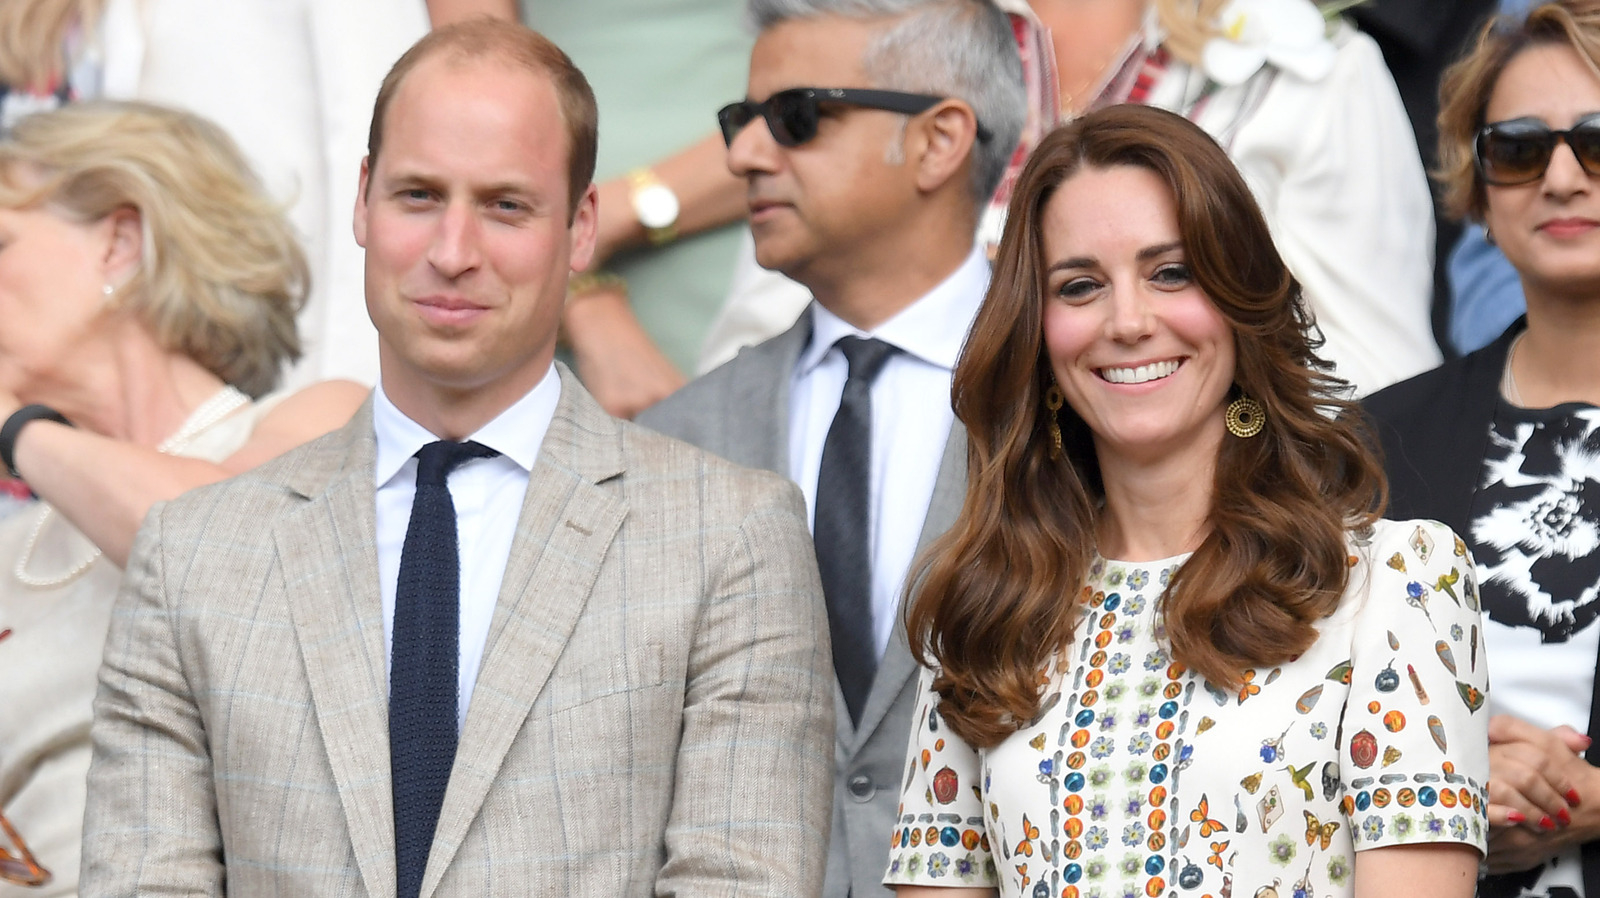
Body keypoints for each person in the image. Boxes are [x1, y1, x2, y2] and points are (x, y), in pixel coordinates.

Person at [79, 19, 833, 898]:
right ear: (362, 202)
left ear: (580, 227)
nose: (452, 252)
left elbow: (740, 878)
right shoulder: (191, 557)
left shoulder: (729, 539)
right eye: (418, 196)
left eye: (506, 205)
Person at [886, 105, 1490, 898]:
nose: (1128, 322)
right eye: (1079, 286)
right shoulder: (984, 609)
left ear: (1241, 300)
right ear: (1035, 331)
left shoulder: (1397, 581)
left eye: (1171, 273)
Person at [638, 2, 1024, 897]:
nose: (744, 154)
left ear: (939, 140)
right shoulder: (676, 439)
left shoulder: (1083, 406)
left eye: (796, 116)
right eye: (742, 120)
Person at [698, 0, 1442, 398]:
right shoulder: (866, 36)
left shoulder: (1306, 64)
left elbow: (1382, 381)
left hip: (1206, 529)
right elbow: (753, 356)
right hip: (910, 517)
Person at [0, 99, 366, 898]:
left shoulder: (325, 421)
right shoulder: (12, 549)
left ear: (121, 242)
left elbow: (218, 549)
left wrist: (15, 425)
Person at [1364, 3, 1600, 895]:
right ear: (1480, 187)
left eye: (1598, 143)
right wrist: (1443, 795)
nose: (1563, 178)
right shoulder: (1373, 444)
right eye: (1519, 149)